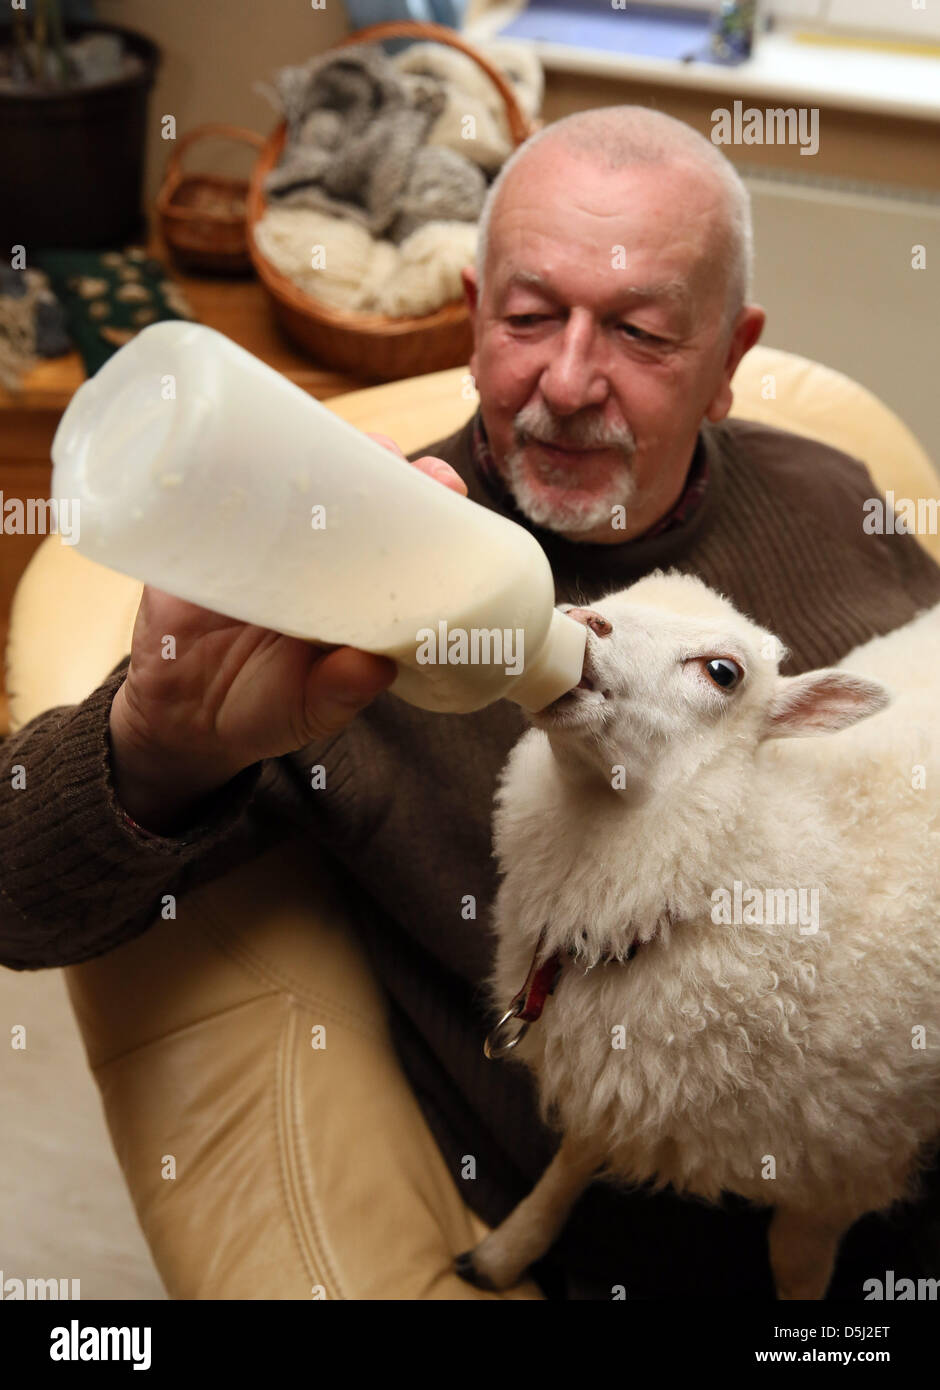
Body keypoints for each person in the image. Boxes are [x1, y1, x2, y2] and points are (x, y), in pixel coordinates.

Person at [3, 106, 939, 1300]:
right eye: (529, 316)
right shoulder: (354, 601)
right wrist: (157, 739)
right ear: (469, 313)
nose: (565, 380)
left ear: (728, 360)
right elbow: (15, 904)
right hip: (668, 1234)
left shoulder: (827, 491)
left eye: (643, 333)